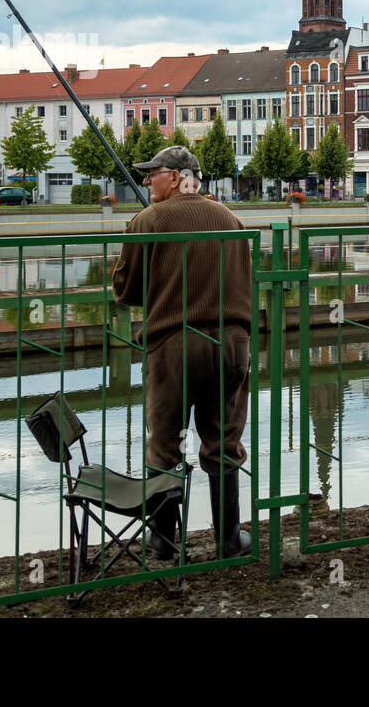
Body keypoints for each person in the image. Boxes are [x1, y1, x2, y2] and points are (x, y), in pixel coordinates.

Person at [112, 146, 253, 559]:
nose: (145, 180)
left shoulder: (147, 220)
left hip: (175, 345)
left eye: (151, 173)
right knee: (223, 438)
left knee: (166, 442)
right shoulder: (229, 217)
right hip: (232, 345)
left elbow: (127, 291)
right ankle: (228, 540)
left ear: (175, 176)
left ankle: (164, 540)